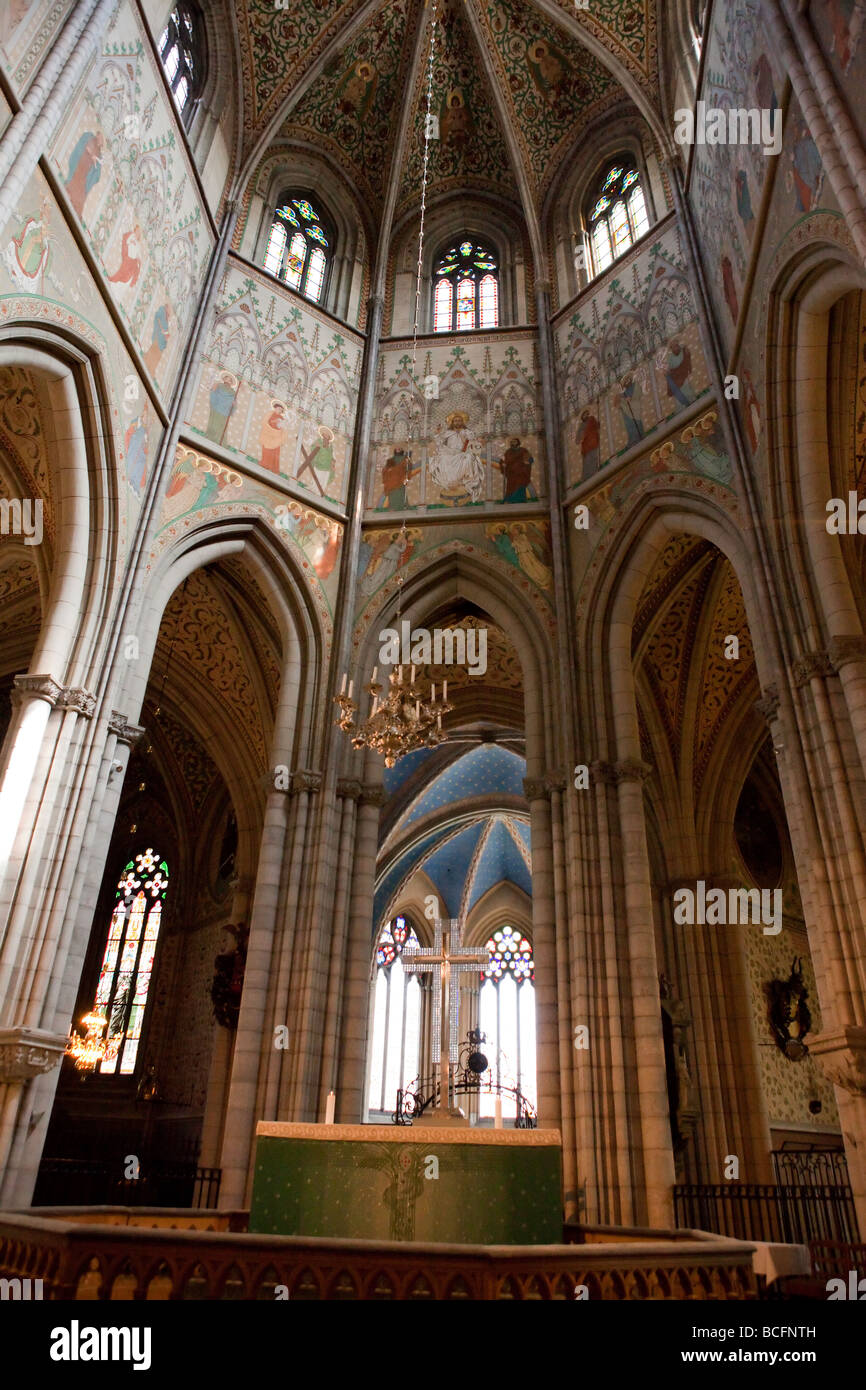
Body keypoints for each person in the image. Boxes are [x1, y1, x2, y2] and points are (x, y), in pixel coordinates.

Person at [493, 438, 534, 502]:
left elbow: (530, 459)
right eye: (511, 442)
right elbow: (503, 460)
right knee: (511, 487)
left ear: (518, 442)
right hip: (511, 474)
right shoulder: (508, 452)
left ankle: (521, 499)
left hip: (521, 473)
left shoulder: (523, 450)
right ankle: (510, 499)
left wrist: (528, 462)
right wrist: (503, 464)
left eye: (514, 442)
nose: (512, 443)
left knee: (520, 486)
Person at [259, 402, 286, 473]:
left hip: (276, 437)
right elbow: (264, 422)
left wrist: (282, 439)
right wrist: (274, 421)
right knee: (266, 451)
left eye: (281, 410)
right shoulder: (270, 414)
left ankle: (273, 467)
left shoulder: (282, 418)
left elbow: (283, 429)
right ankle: (264, 464)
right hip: (268, 434)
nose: (279, 410)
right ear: (275, 408)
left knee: (274, 453)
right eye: (278, 408)